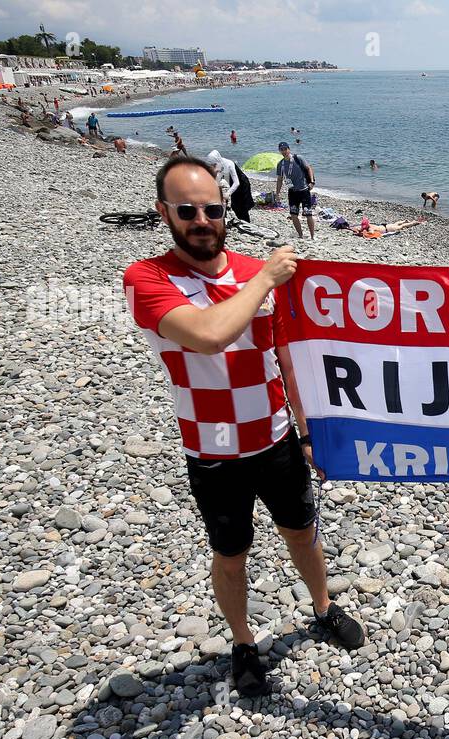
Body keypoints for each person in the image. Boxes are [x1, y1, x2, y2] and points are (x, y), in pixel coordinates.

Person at [121, 157, 365, 697]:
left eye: (212, 208)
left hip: (276, 438)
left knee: (302, 530)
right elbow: (209, 335)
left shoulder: (257, 271)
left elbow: (284, 355)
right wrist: (265, 278)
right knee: (231, 555)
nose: (202, 220)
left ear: (225, 209)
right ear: (164, 213)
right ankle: (243, 641)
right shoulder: (148, 278)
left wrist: (306, 433)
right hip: (213, 449)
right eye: (187, 211)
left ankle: (322, 609)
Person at [274, 141, 316, 240]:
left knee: (308, 214)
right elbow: (280, 179)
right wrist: (277, 194)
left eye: (285, 149)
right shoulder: (281, 164)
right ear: (280, 151)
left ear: (289, 149)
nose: (284, 151)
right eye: (281, 150)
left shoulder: (298, 158)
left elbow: (309, 168)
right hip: (292, 191)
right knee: (293, 215)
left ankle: (312, 236)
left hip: (304, 190)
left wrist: (312, 182)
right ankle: (300, 235)